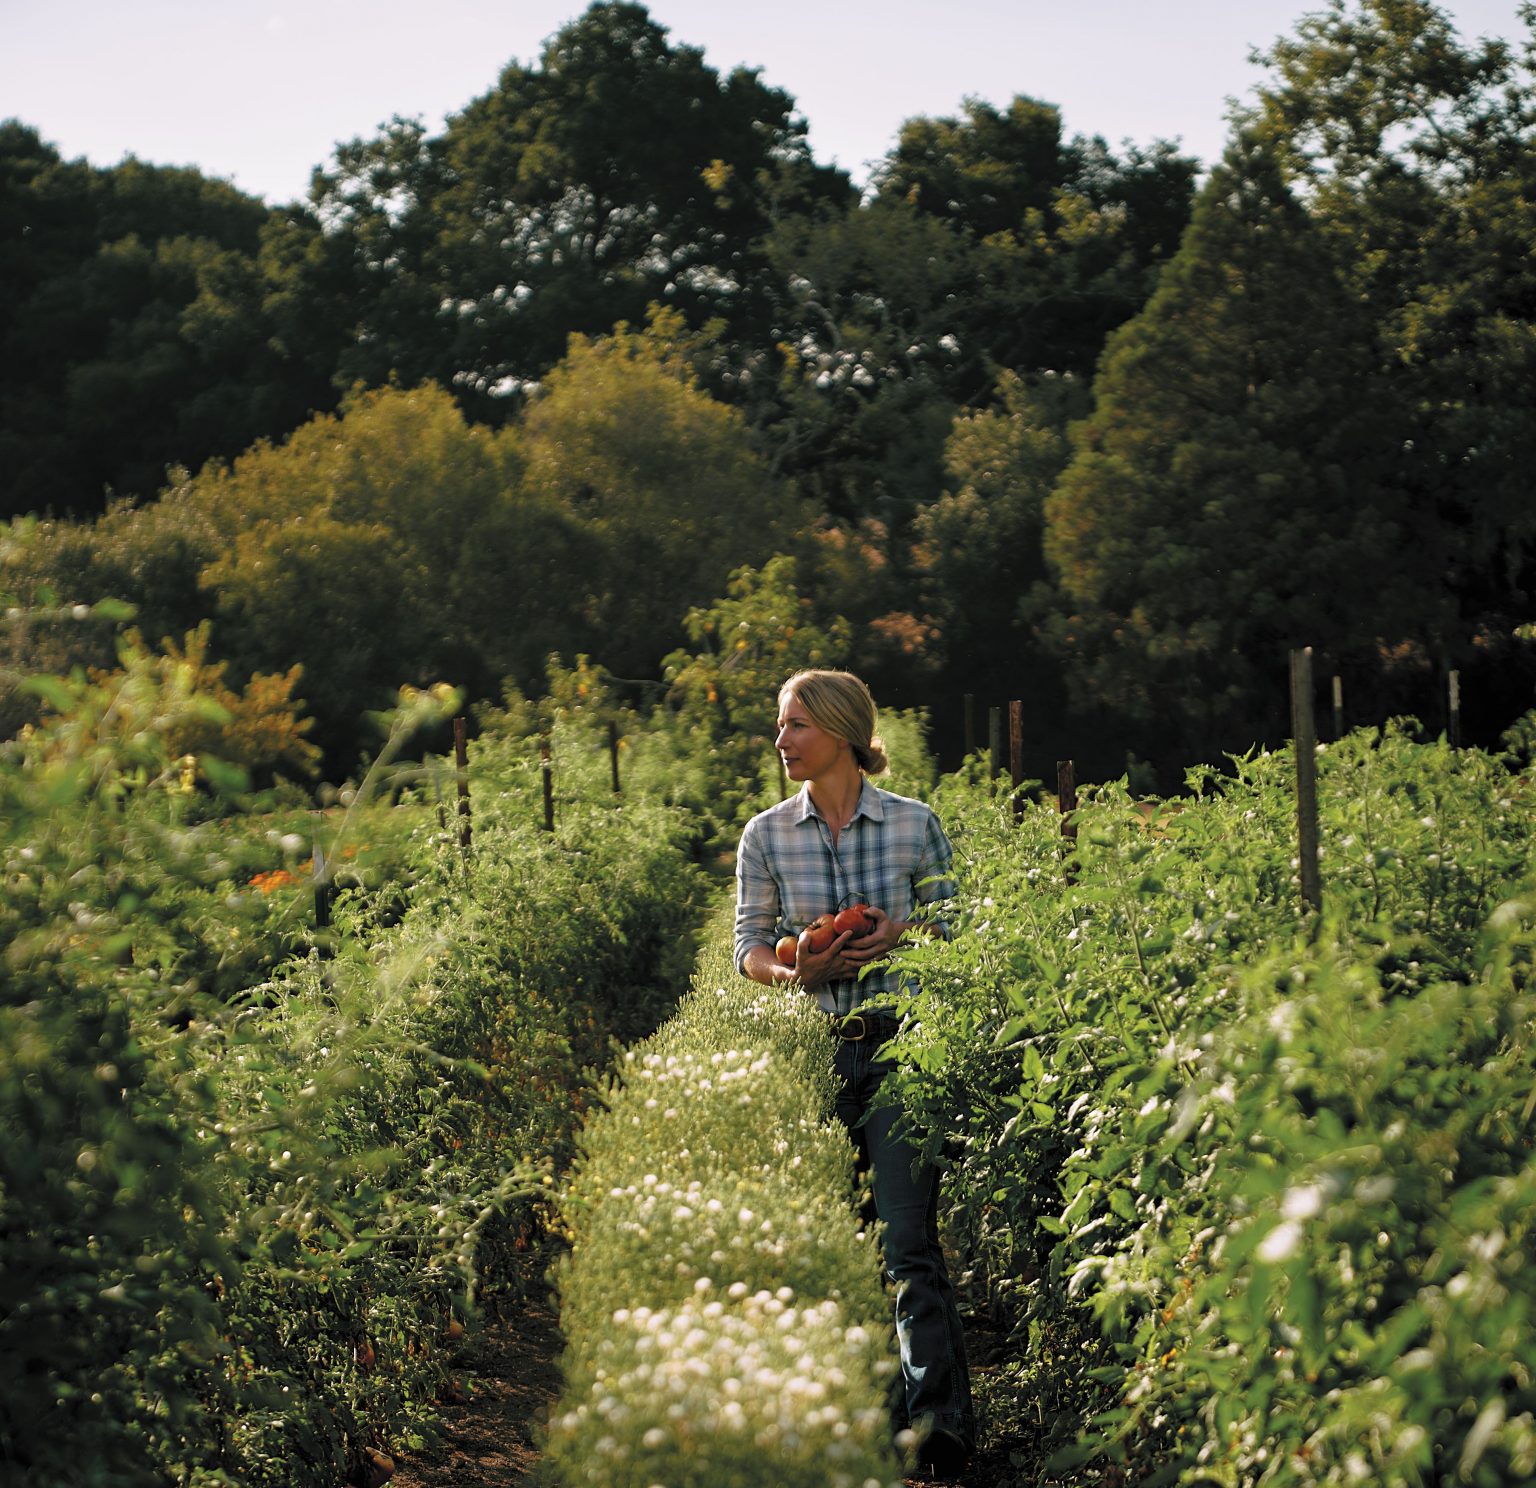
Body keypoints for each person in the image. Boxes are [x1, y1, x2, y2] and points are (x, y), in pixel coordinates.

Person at [734, 668, 974, 1478]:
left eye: (795, 724)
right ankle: (861, 1418)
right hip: (815, 1051)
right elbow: (748, 947)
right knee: (840, 1241)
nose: (781, 740)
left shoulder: (913, 826)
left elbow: (963, 930)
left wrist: (901, 938)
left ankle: (936, 1425)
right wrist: (793, 974)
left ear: (838, 731)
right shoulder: (766, 835)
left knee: (908, 1240)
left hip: (905, 1045)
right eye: (781, 725)